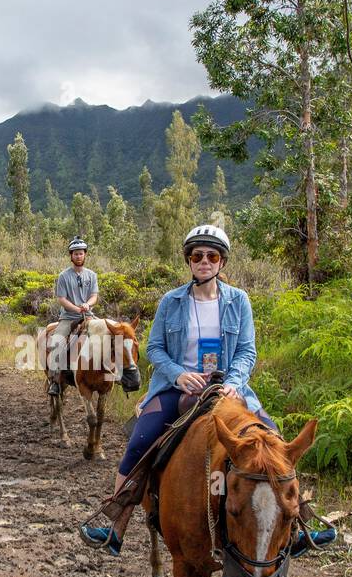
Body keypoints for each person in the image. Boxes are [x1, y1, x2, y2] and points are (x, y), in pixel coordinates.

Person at [80, 224, 333, 556]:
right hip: (179, 388)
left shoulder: (238, 301)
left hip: (226, 388)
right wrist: (179, 375)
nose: (204, 261)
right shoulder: (171, 301)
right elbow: (155, 348)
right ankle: (116, 523)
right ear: (189, 261)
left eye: (212, 256)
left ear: (221, 262)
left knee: (275, 442)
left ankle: (299, 524)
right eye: (197, 255)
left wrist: (232, 383)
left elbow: (247, 350)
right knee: (141, 440)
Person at [47, 238, 99, 396]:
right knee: (57, 342)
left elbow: (94, 296)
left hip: (88, 316)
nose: (78, 256)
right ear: (71, 256)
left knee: (110, 336)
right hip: (68, 317)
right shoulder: (63, 276)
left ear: (85, 255)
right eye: (75, 254)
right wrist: (76, 308)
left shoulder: (92, 275)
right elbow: (61, 299)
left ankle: (114, 375)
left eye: (81, 253)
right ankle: (55, 381)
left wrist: (88, 305)